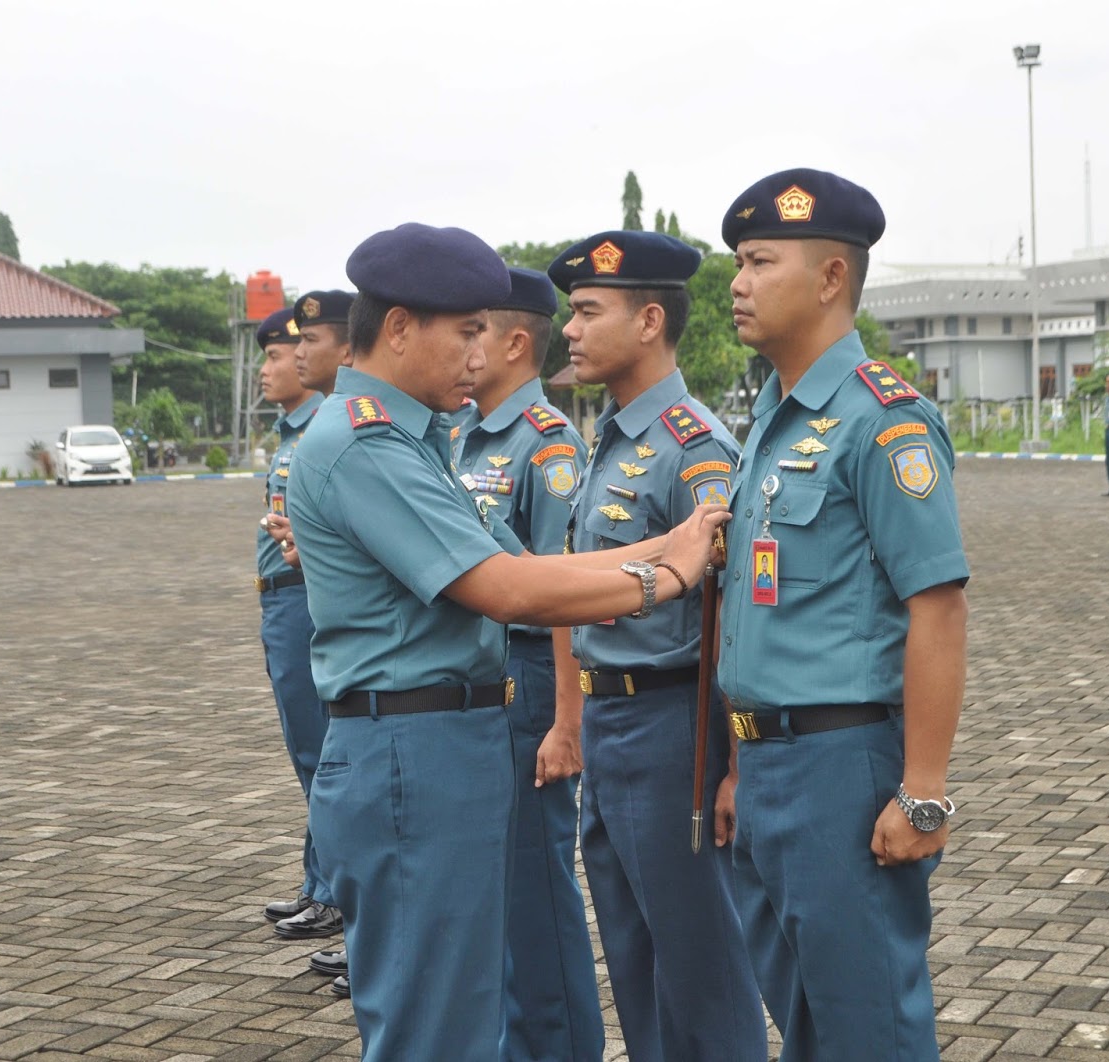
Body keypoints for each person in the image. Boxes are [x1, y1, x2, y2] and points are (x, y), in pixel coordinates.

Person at [288, 222, 730, 1062]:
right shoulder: (366, 444)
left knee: (464, 1007)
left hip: (437, 743)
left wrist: (665, 544)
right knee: (437, 1030)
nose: (479, 352)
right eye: (465, 332)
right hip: (409, 753)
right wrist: (664, 576)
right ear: (400, 328)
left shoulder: (408, 437)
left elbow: (520, 561)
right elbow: (505, 588)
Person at [717, 167, 970, 1062]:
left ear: (830, 278)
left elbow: (936, 606)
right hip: (767, 768)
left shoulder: (882, 422)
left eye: (758, 261)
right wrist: (742, 764)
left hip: (843, 770)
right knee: (811, 1027)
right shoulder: (770, 425)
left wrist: (926, 791)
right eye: (738, 263)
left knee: (871, 1029)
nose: (738, 283)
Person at [550, 229, 766, 1062]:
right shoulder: (609, 437)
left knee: (700, 967)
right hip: (610, 728)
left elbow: (730, 610)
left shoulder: (692, 444)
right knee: (636, 964)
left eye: (587, 311)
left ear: (648, 322)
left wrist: (735, 765)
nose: (570, 330)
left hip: (674, 724)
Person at [450, 267, 604, 1062]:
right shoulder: (462, 436)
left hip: (532, 686)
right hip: (482, 687)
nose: (461, 346)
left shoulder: (547, 446)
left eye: (473, 330)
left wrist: (566, 722)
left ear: (515, 342)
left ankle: (563, 1046)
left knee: (538, 895)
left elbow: (564, 589)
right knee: (500, 898)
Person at [258, 291, 357, 958]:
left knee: (321, 752)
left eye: (289, 349)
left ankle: (333, 894)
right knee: (310, 751)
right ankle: (320, 880)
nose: (279, 363)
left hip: (302, 595)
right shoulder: (296, 434)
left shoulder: (330, 426)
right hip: (282, 596)